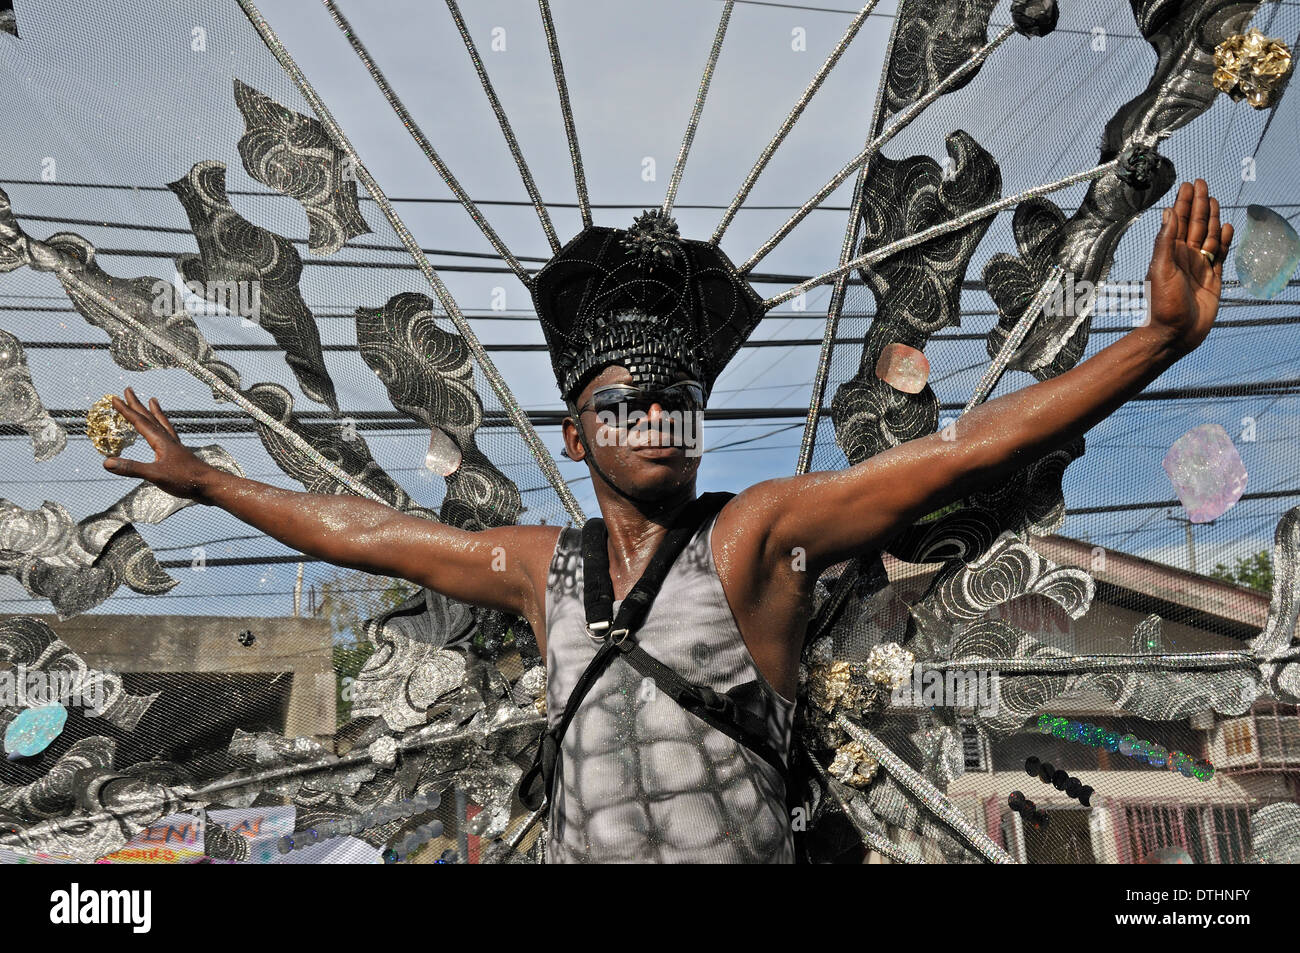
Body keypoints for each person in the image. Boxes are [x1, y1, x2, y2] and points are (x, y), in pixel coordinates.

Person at [102, 179, 1233, 863]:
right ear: (575, 432)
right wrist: (208, 480)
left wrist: (1153, 342)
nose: (653, 418)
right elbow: (362, 531)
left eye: (674, 400)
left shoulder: (759, 536)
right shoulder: (535, 567)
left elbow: (962, 448)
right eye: (623, 402)